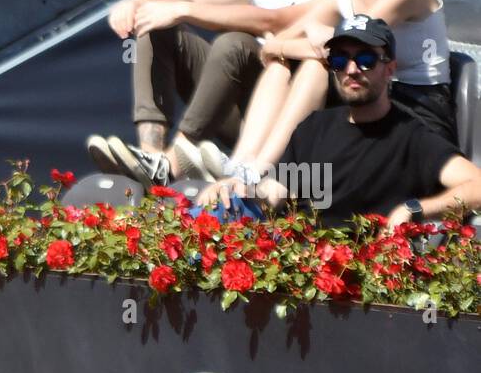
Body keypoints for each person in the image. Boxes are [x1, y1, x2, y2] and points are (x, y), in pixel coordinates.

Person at [90, 0, 354, 186]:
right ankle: (151, 157)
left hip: (299, 126)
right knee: (156, 25)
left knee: (236, 44)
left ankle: (172, 164)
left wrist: (184, 10)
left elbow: (276, 20)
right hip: (250, 117)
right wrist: (137, 3)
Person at [202, 0, 456, 188]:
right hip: (369, 90)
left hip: (417, 108)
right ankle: (242, 164)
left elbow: (358, 43)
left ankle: (262, 170)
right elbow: (274, 44)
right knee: (283, 62)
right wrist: (306, 37)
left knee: (315, 67)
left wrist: (318, 38)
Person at [199, 17, 481, 225]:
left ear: (389, 69)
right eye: (339, 60)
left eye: (366, 59)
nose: (352, 69)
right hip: (302, 267)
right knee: (210, 212)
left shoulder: (412, 136)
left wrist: (414, 209)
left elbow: (476, 186)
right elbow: (274, 193)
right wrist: (237, 189)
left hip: (363, 277)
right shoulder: (314, 127)